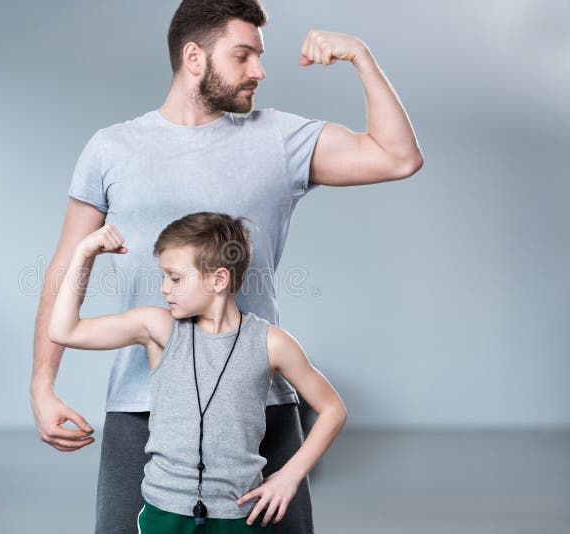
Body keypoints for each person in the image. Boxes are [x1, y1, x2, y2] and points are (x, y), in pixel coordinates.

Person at [30, 1, 423, 532]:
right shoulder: (112, 149)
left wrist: (361, 56)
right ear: (194, 57)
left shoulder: (279, 140)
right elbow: (64, 264)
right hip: (141, 406)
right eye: (243, 56)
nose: (259, 71)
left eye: (258, 56)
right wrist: (43, 384)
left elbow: (397, 157)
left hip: (257, 404)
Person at [48, 213, 347, 532]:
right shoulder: (158, 328)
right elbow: (64, 330)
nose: (164, 288)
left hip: (239, 514)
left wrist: (290, 477)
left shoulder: (271, 343)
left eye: (175, 278)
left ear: (218, 280)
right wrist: (82, 253)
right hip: (164, 511)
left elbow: (333, 409)